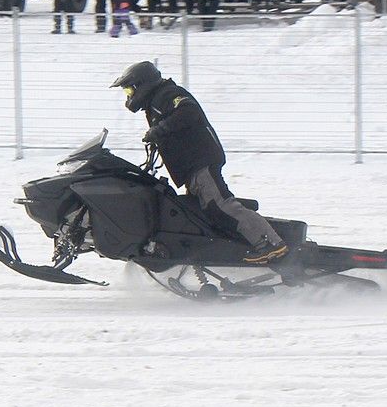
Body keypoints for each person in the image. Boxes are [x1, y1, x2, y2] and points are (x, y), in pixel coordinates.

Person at [110, 61, 289, 264]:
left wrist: (160, 130)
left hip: (200, 161)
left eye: (129, 90)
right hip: (192, 166)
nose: (129, 95)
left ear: (142, 84)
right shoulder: (157, 102)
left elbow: (188, 111)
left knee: (220, 205)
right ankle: (228, 251)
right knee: (201, 215)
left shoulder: (167, 94)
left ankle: (271, 244)